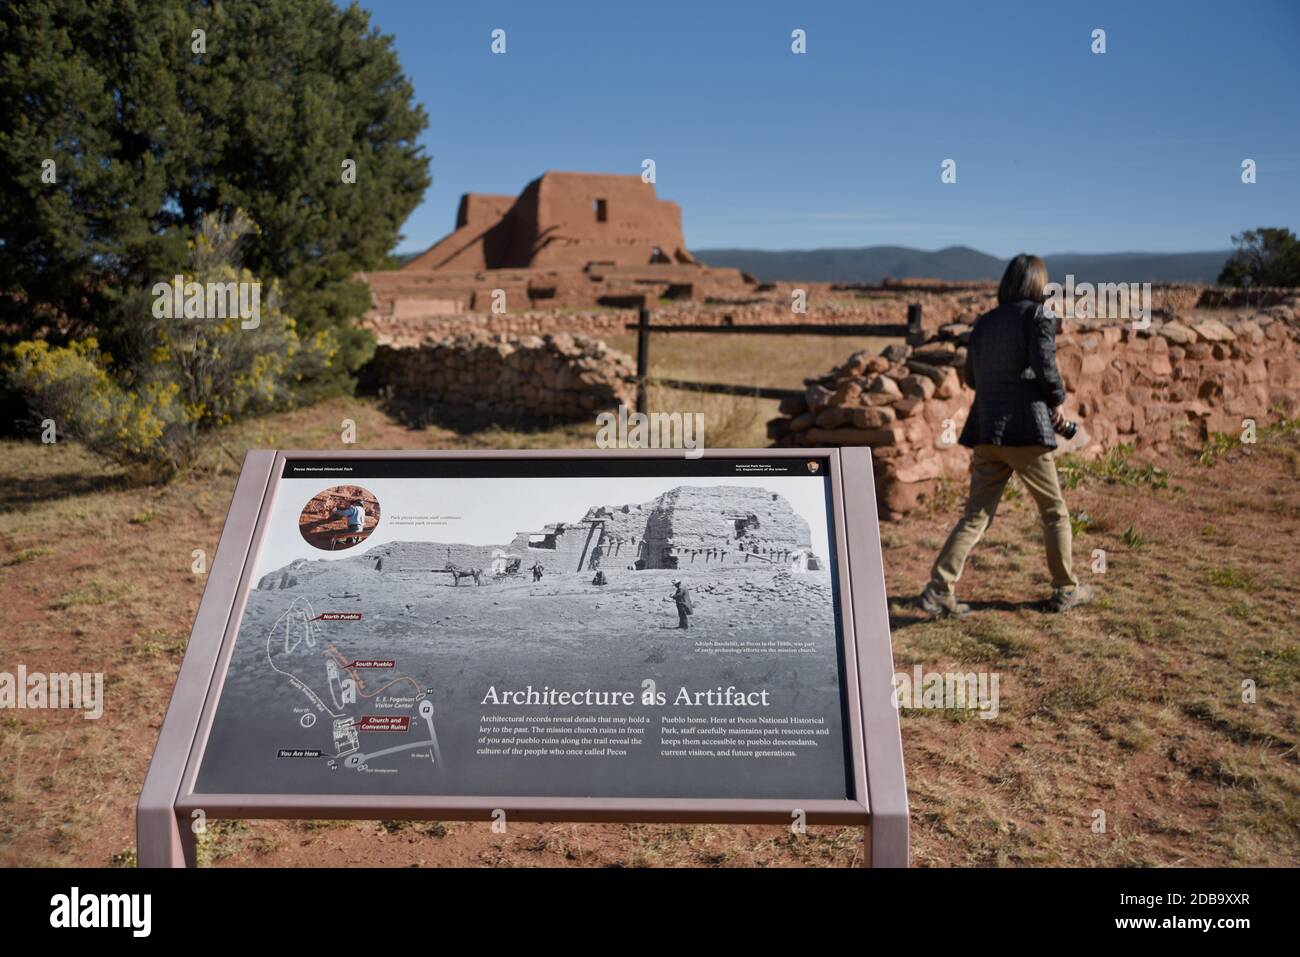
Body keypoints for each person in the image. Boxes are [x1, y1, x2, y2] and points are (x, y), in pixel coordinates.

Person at [917, 254, 1096, 617]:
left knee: (976, 516)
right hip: (1026, 430)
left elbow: (971, 377)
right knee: (1055, 512)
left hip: (986, 428)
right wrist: (1057, 401)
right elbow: (1045, 366)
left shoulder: (984, 322)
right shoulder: (1039, 316)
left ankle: (939, 589)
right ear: (1038, 283)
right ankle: (1064, 590)